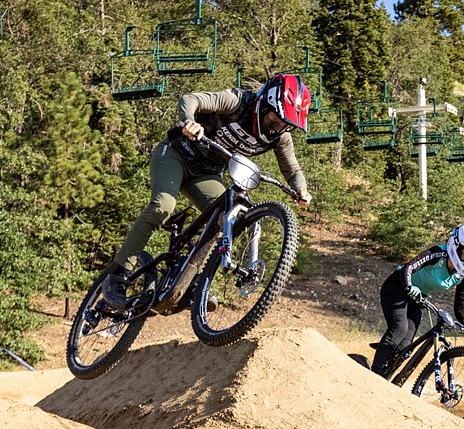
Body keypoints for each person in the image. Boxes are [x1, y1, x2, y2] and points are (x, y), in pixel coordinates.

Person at [101, 75, 314, 307]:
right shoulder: (238, 102)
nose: (278, 126)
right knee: (162, 207)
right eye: (276, 117)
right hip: (175, 154)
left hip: (206, 174)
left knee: (228, 218)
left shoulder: (281, 137)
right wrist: (188, 121)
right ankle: (118, 275)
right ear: (264, 103)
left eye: (286, 123)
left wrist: (300, 188)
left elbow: (292, 169)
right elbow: (190, 99)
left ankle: (187, 279)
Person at [370, 223, 464, 376]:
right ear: (456, 245)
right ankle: (373, 374)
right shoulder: (438, 253)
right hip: (397, 287)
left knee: (406, 345)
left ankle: (386, 375)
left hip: (417, 298)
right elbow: (409, 267)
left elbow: (460, 303)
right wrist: (408, 286)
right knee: (399, 328)